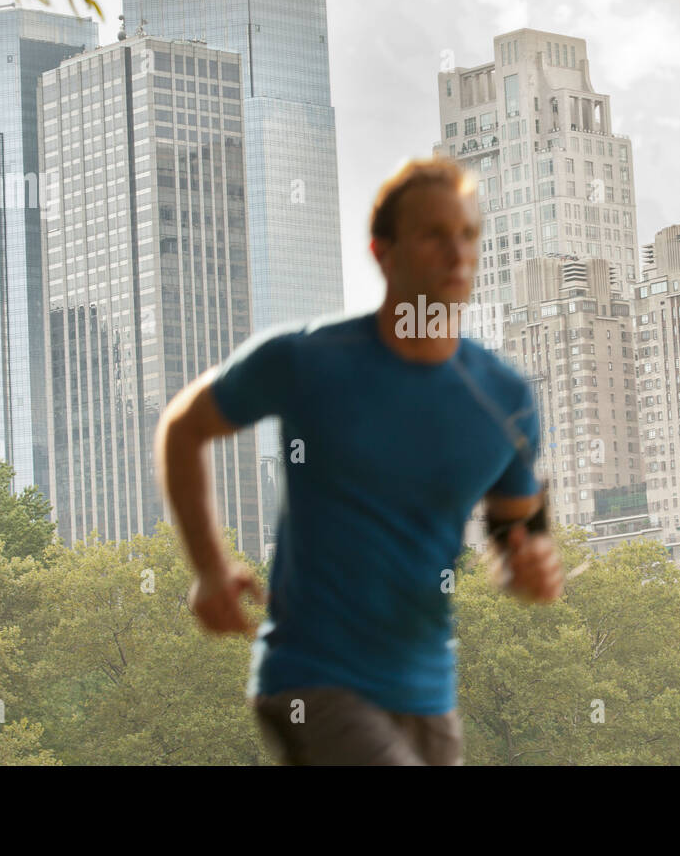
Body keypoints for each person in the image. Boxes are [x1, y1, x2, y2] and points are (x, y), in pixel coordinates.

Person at [154, 156, 564, 765]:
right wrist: (210, 569)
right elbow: (183, 428)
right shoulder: (308, 361)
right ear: (383, 252)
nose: (458, 253)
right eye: (433, 235)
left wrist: (528, 572)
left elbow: (515, 539)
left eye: (468, 235)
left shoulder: (505, 399)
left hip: (428, 696)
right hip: (311, 679)